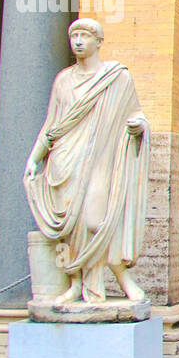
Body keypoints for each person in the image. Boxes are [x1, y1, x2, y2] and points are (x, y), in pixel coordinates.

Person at [24, 18, 149, 305]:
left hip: (100, 159)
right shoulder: (63, 80)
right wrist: (35, 157)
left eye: (85, 36)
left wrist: (138, 128)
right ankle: (76, 284)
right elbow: (51, 125)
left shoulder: (116, 77)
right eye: (74, 36)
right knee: (70, 227)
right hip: (65, 161)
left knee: (97, 219)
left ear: (99, 42)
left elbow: (137, 114)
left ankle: (121, 276)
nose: (78, 41)